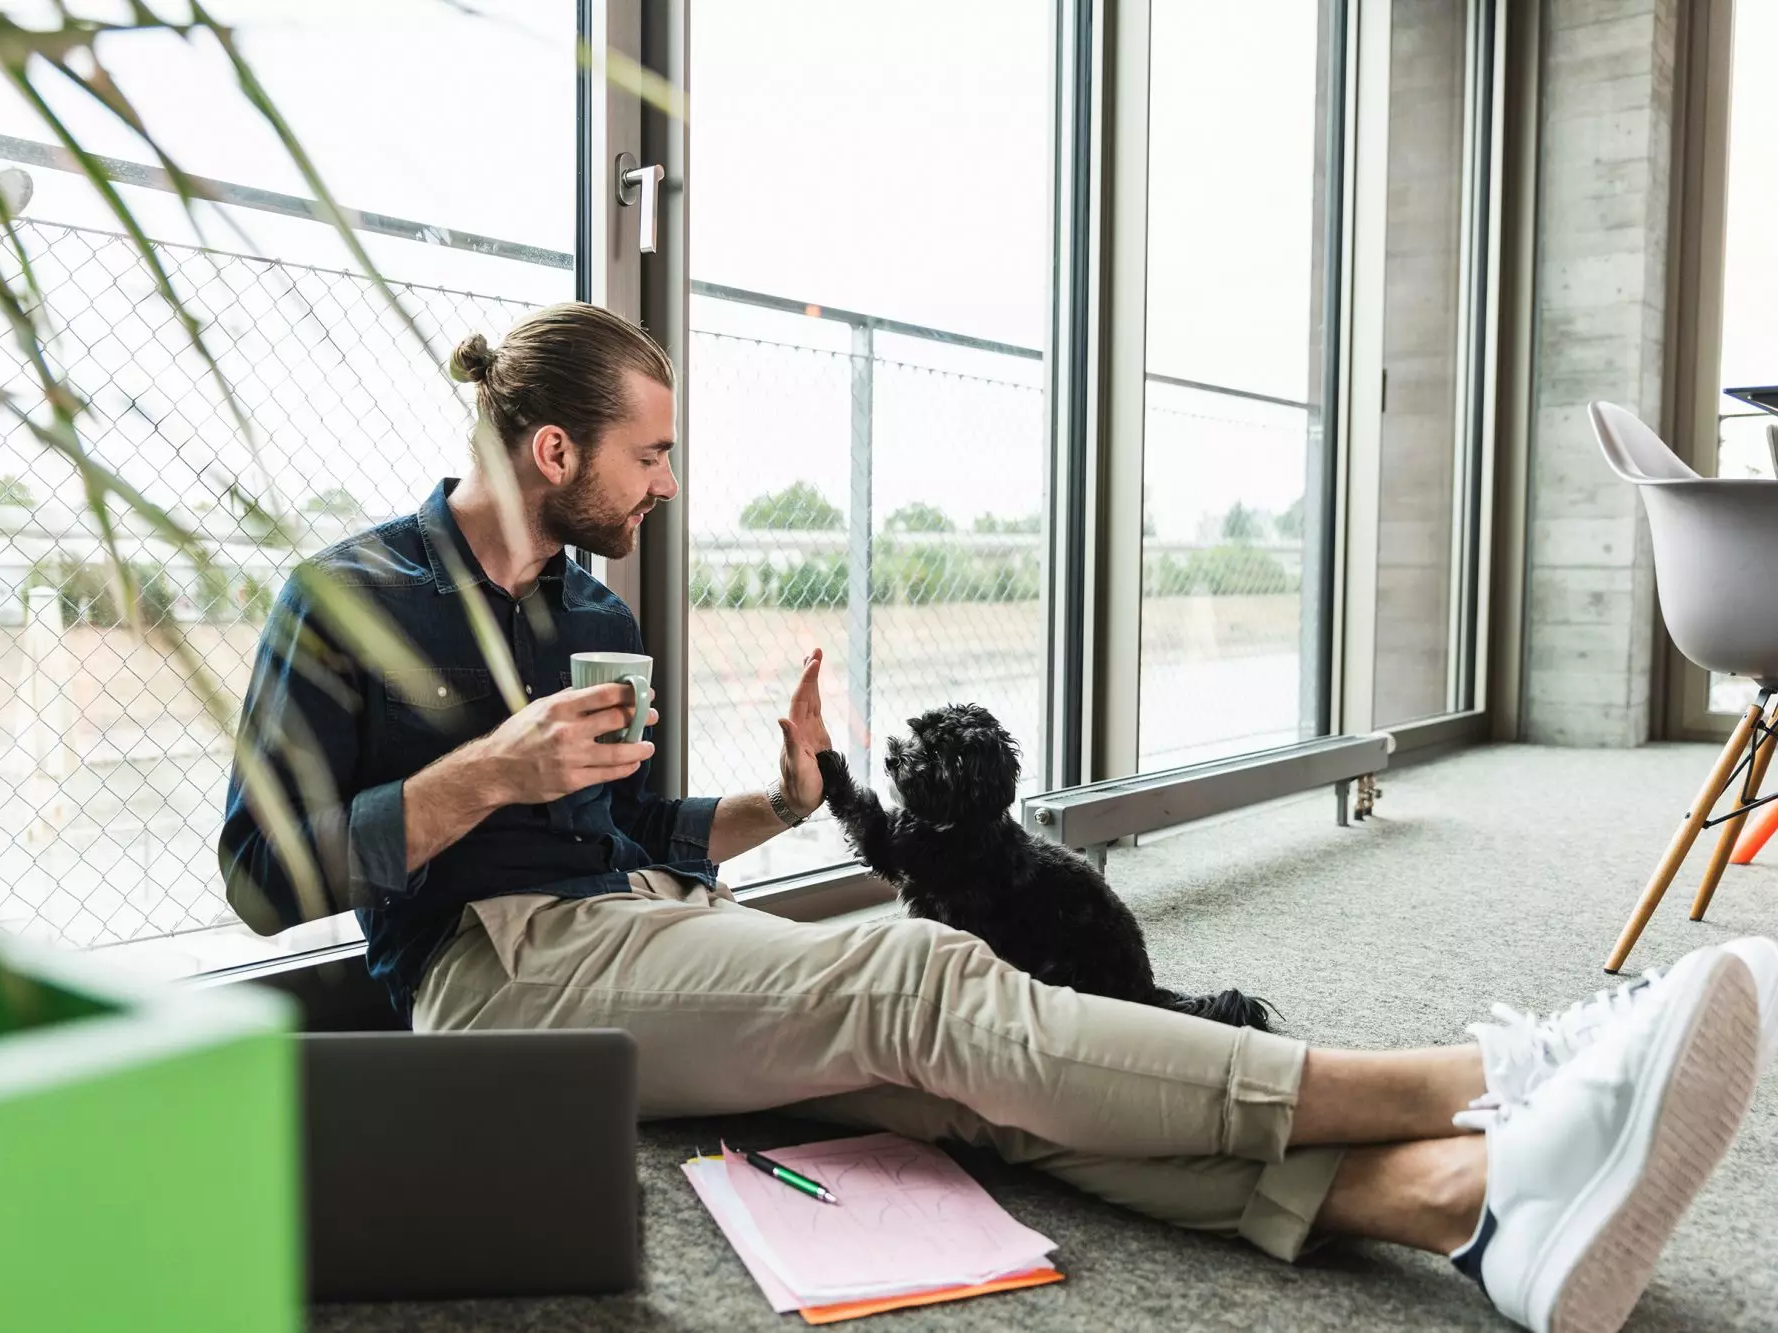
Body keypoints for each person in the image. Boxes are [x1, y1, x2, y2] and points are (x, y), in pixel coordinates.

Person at [220, 303, 1775, 1333]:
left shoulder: (581, 602)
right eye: (653, 453)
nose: (669, 485)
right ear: (554, 451)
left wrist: (786, 795)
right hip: (487, 986)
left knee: (956, 1086)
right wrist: (484, 770)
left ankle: (1464, 1203)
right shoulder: (348, 598)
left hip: (631, 934)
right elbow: (257, 877)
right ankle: (1501, 1075)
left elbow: (622, 841)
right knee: (918, 975)